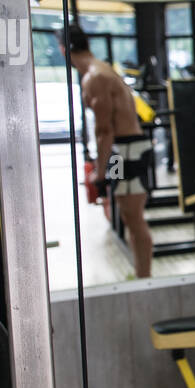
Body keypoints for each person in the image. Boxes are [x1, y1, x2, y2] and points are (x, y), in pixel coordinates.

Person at [61, 27, 153, 278]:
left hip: (127, 149)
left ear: (63, 49)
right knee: (126, 214)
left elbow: (105, 130)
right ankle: (141, 274)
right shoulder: (100, 69)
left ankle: (145, 280)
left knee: (133, 217)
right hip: (122, 149)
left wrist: (100, 173)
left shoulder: (95, 77)